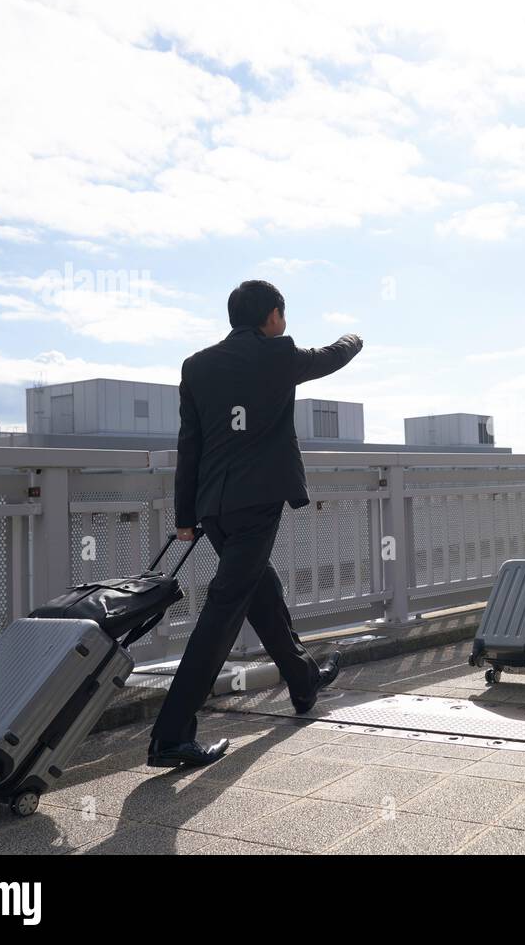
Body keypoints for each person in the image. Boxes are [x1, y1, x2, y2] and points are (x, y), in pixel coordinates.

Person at [148, 280, 364, 768]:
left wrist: (185, 515)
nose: (283, 325)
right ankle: (171, 735)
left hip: (213, 508)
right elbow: (331, 356)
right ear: (272, 316)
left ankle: (303, 680)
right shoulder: (278, 355)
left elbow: (191, 445)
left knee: (259, 592)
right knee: (223, 610)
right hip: (257, 503)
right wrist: (356, 337)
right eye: (281, 316)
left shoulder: (197, 366)